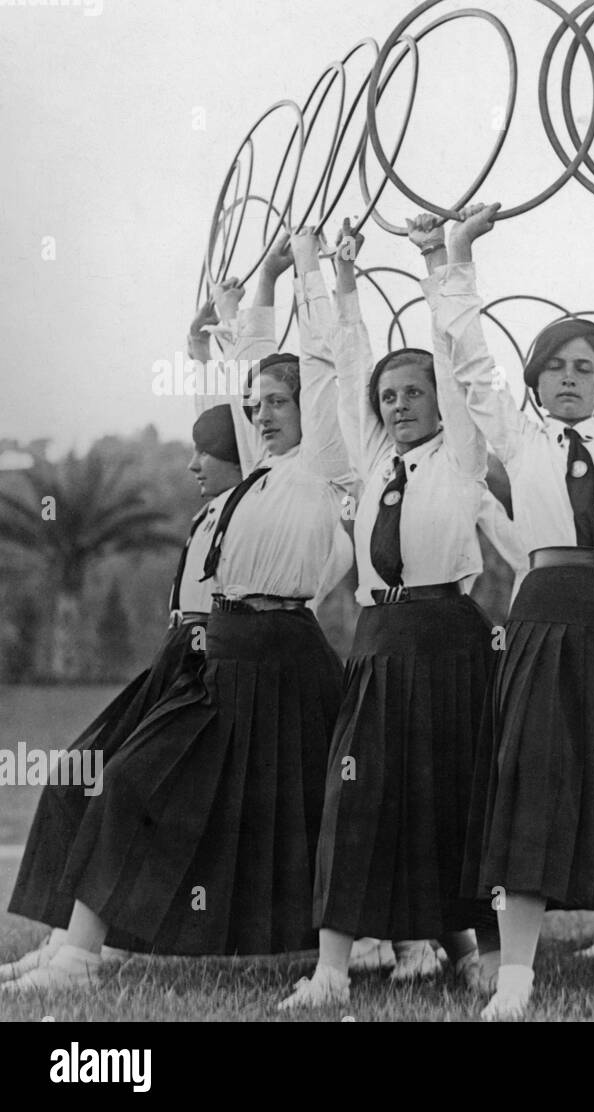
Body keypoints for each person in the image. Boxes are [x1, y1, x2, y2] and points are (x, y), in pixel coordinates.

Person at [2, 232, 354, 993]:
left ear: (313, 413)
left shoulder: (325, 468)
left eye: (281, 406)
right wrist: (260, 284)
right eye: (258, 406)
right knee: (122, 781)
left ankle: (430, 945)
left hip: (284, 654)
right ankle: (77, 955)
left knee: (333, 806)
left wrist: (315, 275)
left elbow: (323, 366)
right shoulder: (259, 470)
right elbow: (243, 383)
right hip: (225, 653)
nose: (262, 416)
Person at [440, 197, 594, 1020]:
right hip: (548, 605)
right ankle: (515, 975)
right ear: (538, 380)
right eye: (558, 367)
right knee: (535, 778)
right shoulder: (517, 438)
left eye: (586, 366)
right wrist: (457, 256)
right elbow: (470, 358)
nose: (573, 377)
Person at [278, 216, 502, 1009]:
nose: (400, 404)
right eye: (390, 396)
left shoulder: (465, 455)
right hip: (380, 640)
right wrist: (338, 281)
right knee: (358, 793)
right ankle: (330, 970)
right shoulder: (373, 460)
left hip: (452, 638)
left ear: (441, 403)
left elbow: (459, 359)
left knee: (458, 797)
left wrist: (442, 262)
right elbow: (342, 358)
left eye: (414, 393)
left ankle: (477, 951)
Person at [1, 392, 244, 981]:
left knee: (122, 786)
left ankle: (82, 954)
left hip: (215, 665)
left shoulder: (259, 505)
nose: (193, 465)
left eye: (207, 453)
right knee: (73, 777)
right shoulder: (211, 510)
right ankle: (69, 941)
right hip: (174, 660)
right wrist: (201, 343)